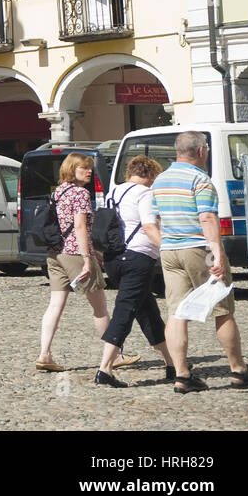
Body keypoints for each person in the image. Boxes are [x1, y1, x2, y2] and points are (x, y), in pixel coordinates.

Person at [151, 131, 248, 393]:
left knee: (176, 312)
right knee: (222, 309)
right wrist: (218, 253)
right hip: (198, 248)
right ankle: (238, 370)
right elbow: (208, 219)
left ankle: (182, 375)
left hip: (170, 251)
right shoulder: (200, 179)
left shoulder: (160, 180)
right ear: (201, 151)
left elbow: (156, 220)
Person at [35, 153, 128, 372]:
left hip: (55, 253)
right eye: (84, 168)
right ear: (72, 169)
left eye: (89, 168)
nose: (89, 171)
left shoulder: (58, 192)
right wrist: (88, 258)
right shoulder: (79, 193)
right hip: (75, 254)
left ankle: (44, 354)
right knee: (100, 308)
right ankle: (114, 356)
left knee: (55, 305)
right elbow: (79, 227)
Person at [94, 156, 175, 387]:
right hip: (137, 258)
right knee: (125, 311)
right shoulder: (144, 194)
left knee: (147, 311)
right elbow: (149, 226)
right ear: (150, 174)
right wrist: (167, 249)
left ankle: (172, 364)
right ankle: (105, 369)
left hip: (114, 259)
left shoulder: (114, 192)